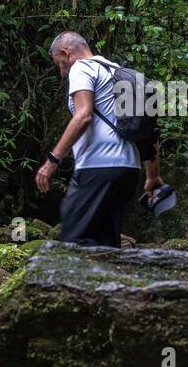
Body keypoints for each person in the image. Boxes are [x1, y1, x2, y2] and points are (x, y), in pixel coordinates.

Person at [35, 31, 162, 247]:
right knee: (105, 245)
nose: (62, 72)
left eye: (59, 64)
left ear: (66, 54)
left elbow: (83, 115)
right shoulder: (117, 71)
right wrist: (153, 176)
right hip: (128, 172)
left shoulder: (82, 68)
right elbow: (149, 131)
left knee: (73, 241)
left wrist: (51, 161)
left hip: (98, 167)